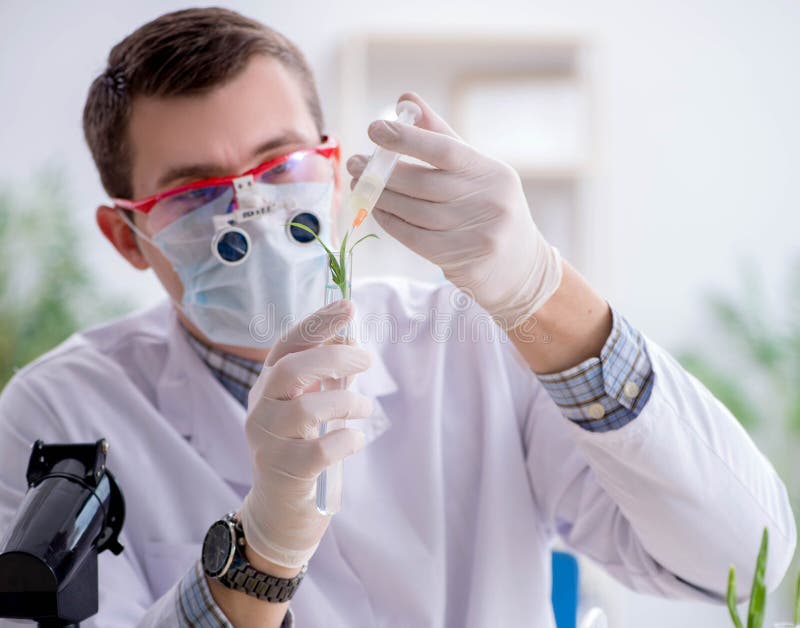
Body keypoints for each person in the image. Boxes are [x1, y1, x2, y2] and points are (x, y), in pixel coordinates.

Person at [0, 7, 794, 628]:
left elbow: (742, 562)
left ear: (338, 172)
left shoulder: (473, 343)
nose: (253, 206)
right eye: (196, 192)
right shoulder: (55, 415)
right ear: (127, 236)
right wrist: (261, 551)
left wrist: (542, 291)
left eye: (282, 164)